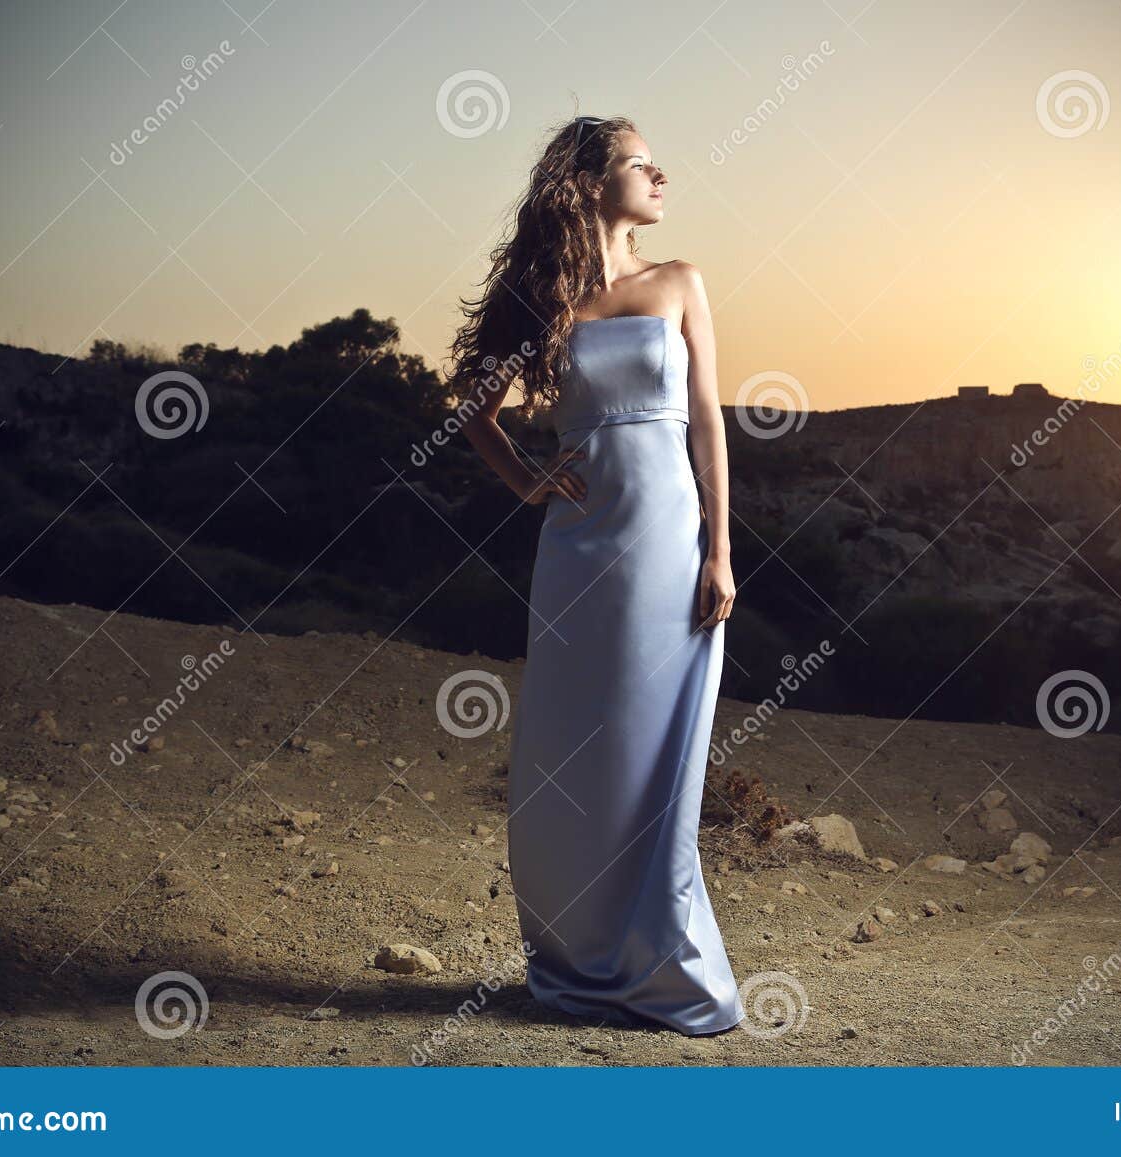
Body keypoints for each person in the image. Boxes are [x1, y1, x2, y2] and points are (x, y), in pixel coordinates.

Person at [454, 115, 744, 1035]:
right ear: (587, 184)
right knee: (576, 747)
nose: (660, 174)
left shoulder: (681, 281)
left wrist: (721, 550)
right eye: (638, 162)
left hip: (670, 541)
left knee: (658, 743)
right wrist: (526, 481)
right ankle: (579, 956)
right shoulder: (546, 299)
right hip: (581, 549)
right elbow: (474, 408)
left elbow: (707, 421)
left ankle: (660, 959)